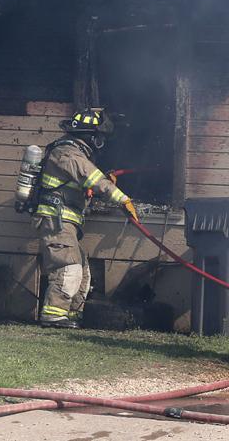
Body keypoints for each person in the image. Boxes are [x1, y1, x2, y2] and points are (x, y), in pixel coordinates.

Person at [33, 107, 139, 328]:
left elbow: (84, 182)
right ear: (90, 136)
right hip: (56, 221)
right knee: (68, 267)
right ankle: (53, 315)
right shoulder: (67, 153)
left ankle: (71, 315)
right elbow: (93, 178)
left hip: (66, 222)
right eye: (99, 137)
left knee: (82, 271)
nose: (101, 142)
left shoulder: (74, 154)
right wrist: (123, 199)